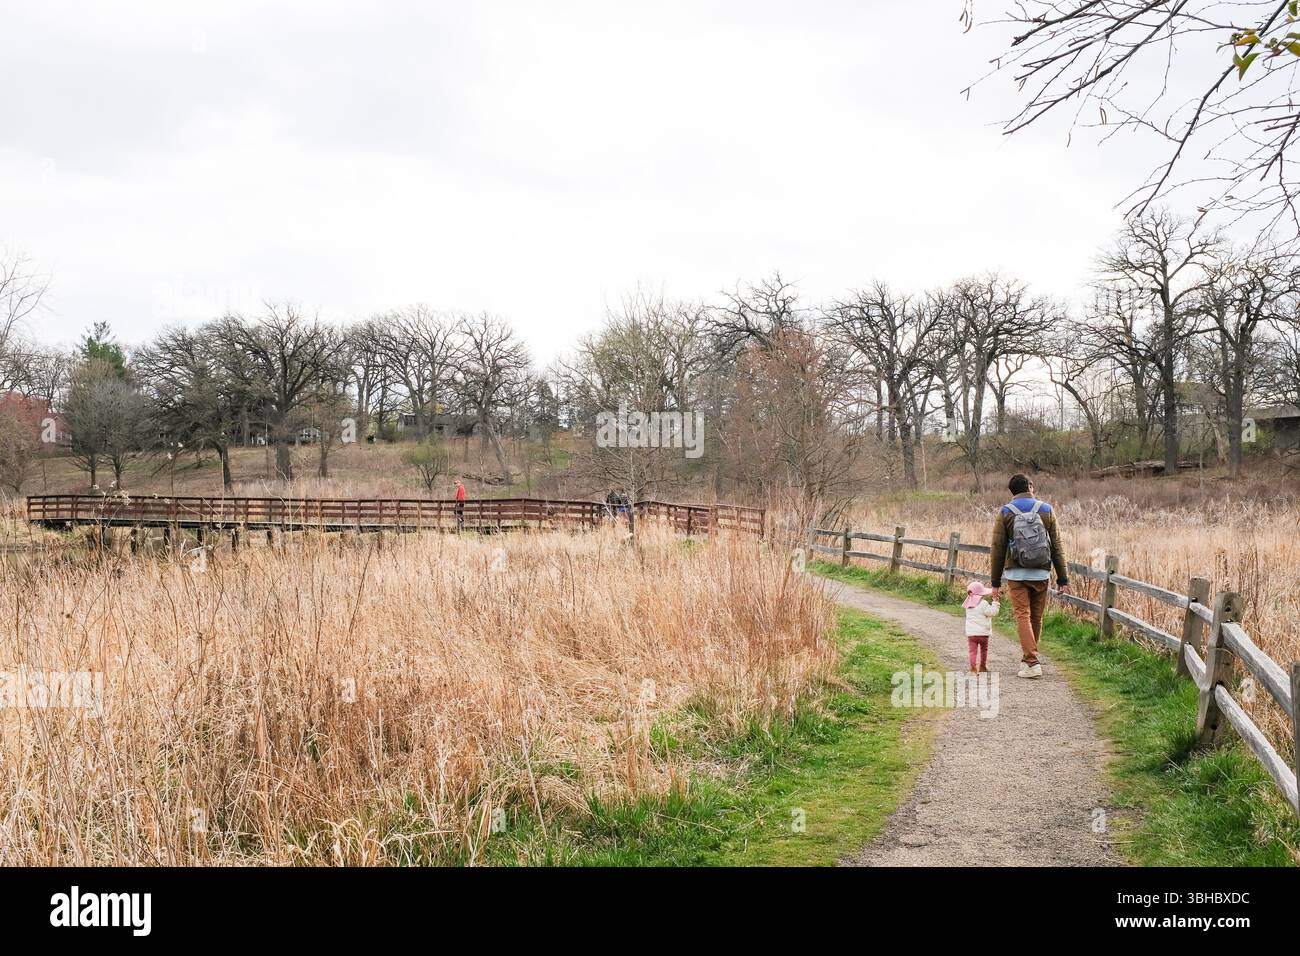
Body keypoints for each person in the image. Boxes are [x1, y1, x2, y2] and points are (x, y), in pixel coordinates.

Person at [990, 473, 1069, 679]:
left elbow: (997, 549)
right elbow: (1057, 546)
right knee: (1035, 616)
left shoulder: (1006, 512)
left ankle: (1032, 662)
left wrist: (995, 582)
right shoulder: (1047, 510)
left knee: (1022, 615)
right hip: (1042, 572)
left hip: (1016, 573)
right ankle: (1029, 660)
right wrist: (1063, 578)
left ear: (1012, 491)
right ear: (1030, 487)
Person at [963, 581, 999, 673]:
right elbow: (992, 612)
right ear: (980, 595)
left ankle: (973, 668)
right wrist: (995, 603)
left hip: (971, 634)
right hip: (983, 633)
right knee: (984, 650)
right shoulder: (984, 603)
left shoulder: (968, 605)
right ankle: (982, 666)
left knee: (972, 651)